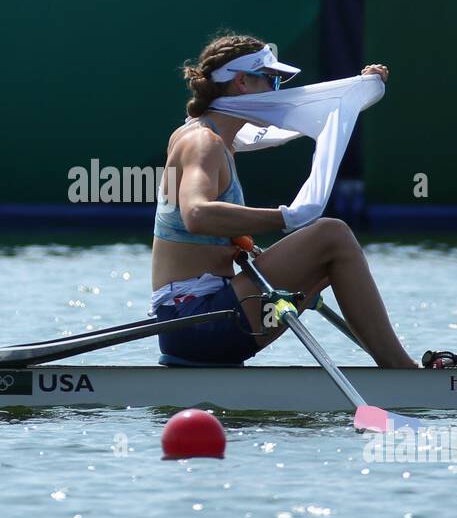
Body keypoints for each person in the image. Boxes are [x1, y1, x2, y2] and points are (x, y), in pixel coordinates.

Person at [150, 32, 417, 368]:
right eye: (272, 81)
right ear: (242, 82)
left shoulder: (213, 136)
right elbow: (197, 214)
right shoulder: (203, 142)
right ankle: (403, 371)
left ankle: (398, 371)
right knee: (331, 234)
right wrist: (284, 218)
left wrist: (358, 89)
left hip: (201, 320)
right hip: (194, 323)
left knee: (323, 264)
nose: (278, 93)